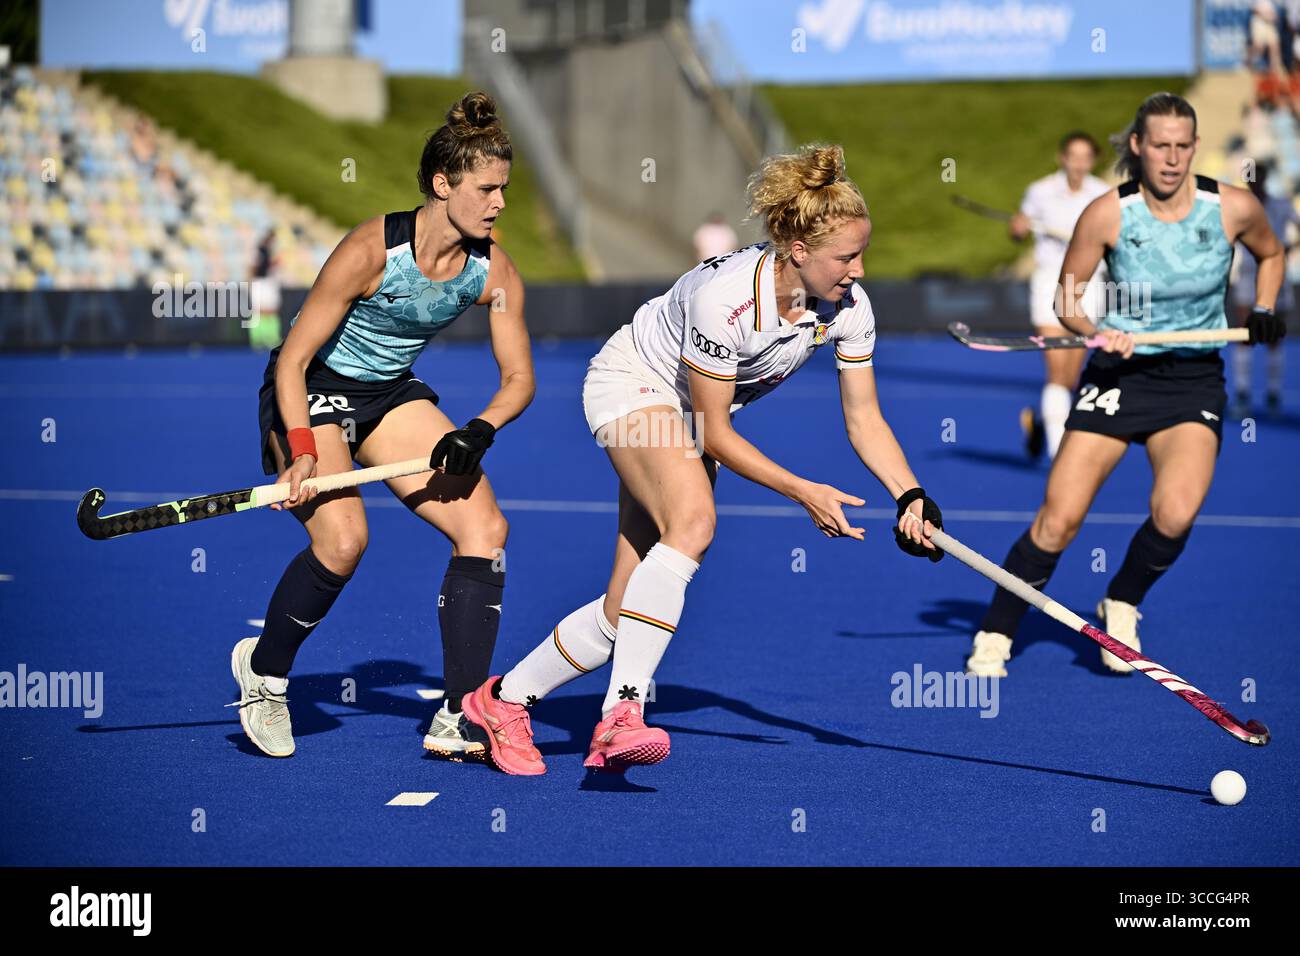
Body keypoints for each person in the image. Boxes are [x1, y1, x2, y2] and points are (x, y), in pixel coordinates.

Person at [458, 143, 944, 776]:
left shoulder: (849, 307)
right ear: (798, 250)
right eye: (846, 257)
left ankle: (502, 701)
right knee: (694, 523)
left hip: (688, 410)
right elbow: (712, 432)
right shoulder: (729, 300)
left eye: (862, 253)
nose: (858, 270)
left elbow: (864, 419)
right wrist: (803, 490)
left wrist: (910, 493)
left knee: (624, 606)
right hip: (633, 384)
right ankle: (622, 715)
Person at [232, 92, 535, 759]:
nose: (499, 203)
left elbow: (519, 380)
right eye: (486, 189)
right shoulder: (373, 248)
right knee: (343, 541)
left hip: (388, 394)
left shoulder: (493, 272)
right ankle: (265, 673)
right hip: (310, 392)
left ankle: (459, 715)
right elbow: (293, 361)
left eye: (503, 189)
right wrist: (304, 453)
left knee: (485, 528)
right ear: (442, 184)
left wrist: (476, 430)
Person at [966, 93, 1286, 678]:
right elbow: (1067, 298)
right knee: (1057, 521)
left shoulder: (1232, 207)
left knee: (1175, 512)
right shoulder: (1108, 213)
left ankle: (1123, 599)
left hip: (1191, 380)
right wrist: (1096, 330)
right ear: (1137, 146)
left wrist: (1264, 305)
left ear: (1194, 147)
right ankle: (996, 627)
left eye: (1182, 146)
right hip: (1118, 377)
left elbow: (1272, 253)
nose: (1171, 158)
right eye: (1159, 145)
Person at [1009, 131, 1110, 459]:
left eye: (1086, 157)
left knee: (1070, 376)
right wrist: (1019, 228)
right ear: (1062, 158)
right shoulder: (1039, 191)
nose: (1079, 163)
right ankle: (1058, 453)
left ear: (1093, 160)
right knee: (1056, 370)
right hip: (1050, 282)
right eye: (1073, 156)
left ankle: (1042, 425)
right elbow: (1018, 231)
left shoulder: (1104, 194)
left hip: (1088, 285)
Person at [1230, 162, 1295, 418]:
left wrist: (1286, 249)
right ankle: (1243, 394)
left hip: (1276, 275)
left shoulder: (1281, 204)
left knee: (1274, 335)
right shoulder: (1239, 205)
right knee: (1245, 334)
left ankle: (1273, 395)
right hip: (1248, 275)